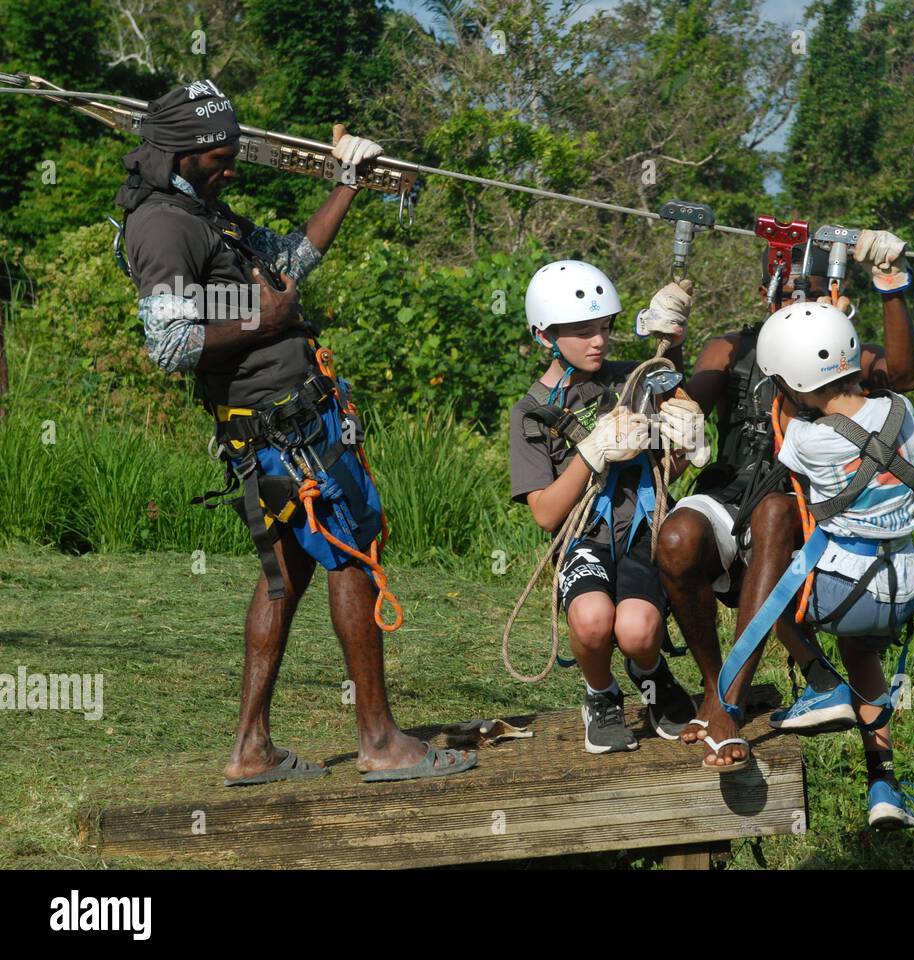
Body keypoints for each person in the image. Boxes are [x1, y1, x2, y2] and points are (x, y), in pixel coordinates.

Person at [119, 79, 473, 784]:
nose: (233, 165)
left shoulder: (205, 210)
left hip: (288, 421)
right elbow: (169, 344)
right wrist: (267, 324)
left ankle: (251, 748)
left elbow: (286, 264)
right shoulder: (162, 226)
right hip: (285, 428)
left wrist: (347, 183)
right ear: (184, 155)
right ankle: (378, 740)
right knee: (350, 551)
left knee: (287, 574)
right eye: (221, 155)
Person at [657, 229, 914, 772]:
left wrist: (891, 287)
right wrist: (669, 349)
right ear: (764, 292)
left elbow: (903, 375)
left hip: (795, 511)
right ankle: (714, 684)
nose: (798, 307)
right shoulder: (731, 346)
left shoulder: (842, 354)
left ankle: (728, 702)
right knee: (678, 538)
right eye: (786, 294)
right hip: (728, 489)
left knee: (775, 510)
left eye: (814, 294)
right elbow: (679, 416)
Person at [508, 261, 703, 753]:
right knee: (594, 619)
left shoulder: (634, 381)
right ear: (545, 335)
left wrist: (688, 444)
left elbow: (663, 471)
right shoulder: (532, 412)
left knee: (637, 632)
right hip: (584, 538)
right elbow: (547, 515)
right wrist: (591, 451)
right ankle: (601, 695)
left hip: (642, 529)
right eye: (582, 331)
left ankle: (650, 672)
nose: (599, 341)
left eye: (605, 328)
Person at [757, 297, 914, 829]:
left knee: (761, 587)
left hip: (844, 591)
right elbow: (866, 386)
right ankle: (884, 784)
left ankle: (818, 678)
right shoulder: (903, 410)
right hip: (903, 583)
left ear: (794, 384)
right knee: (864, 659)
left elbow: (782, 422)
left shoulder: (805, 439)